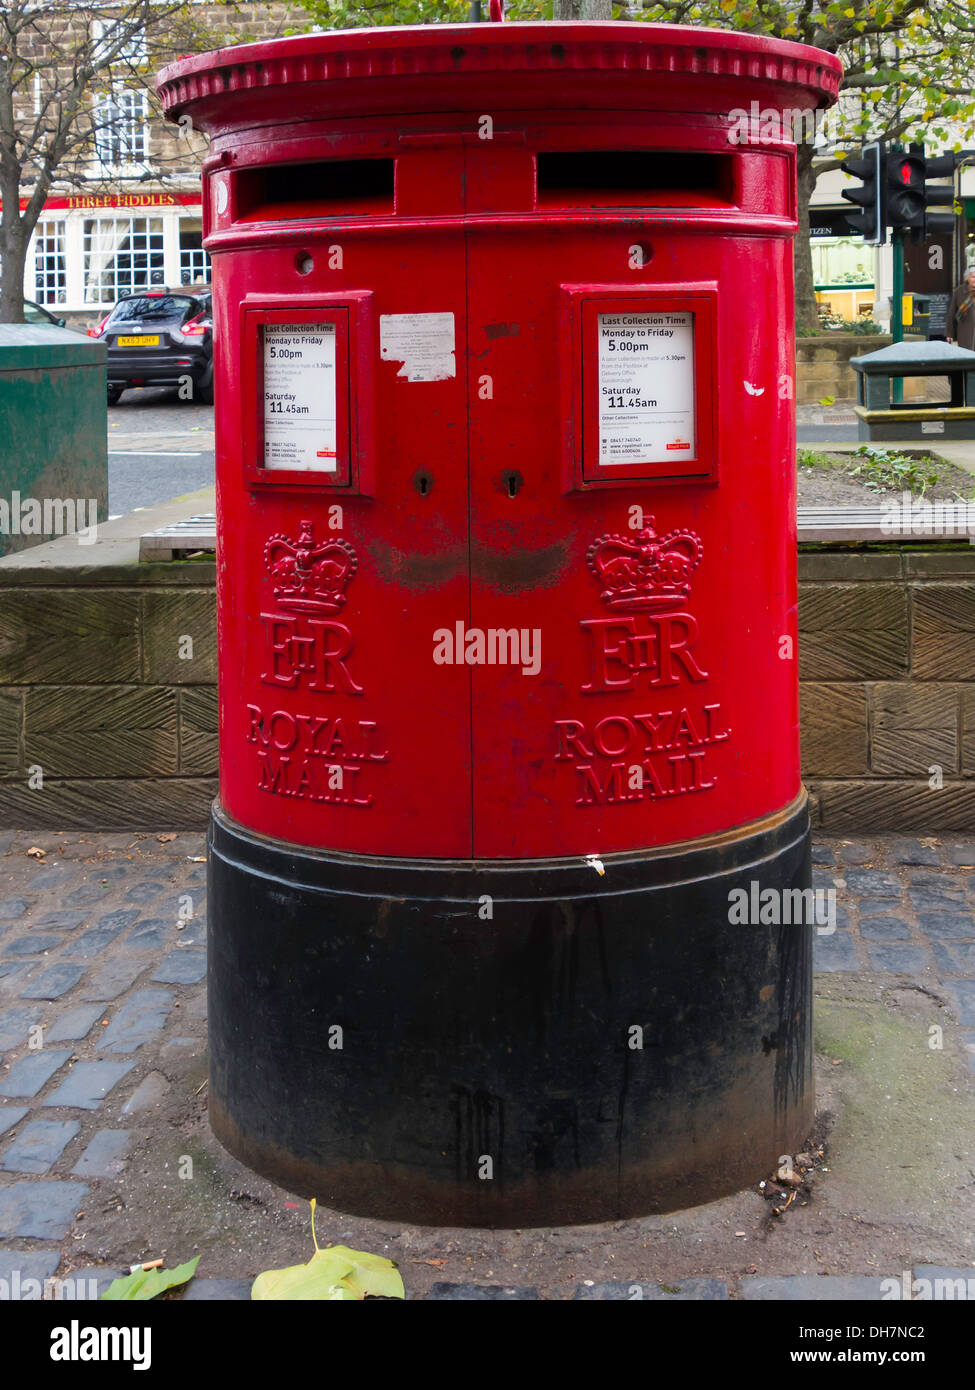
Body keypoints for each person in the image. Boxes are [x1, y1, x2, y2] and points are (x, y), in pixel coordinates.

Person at [947, 267, 975, 349]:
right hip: (965, 332)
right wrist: (949, 333)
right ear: (967, 278)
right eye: (973, 277)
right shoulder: (959, 292)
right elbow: (951, 314)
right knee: (967, 356)